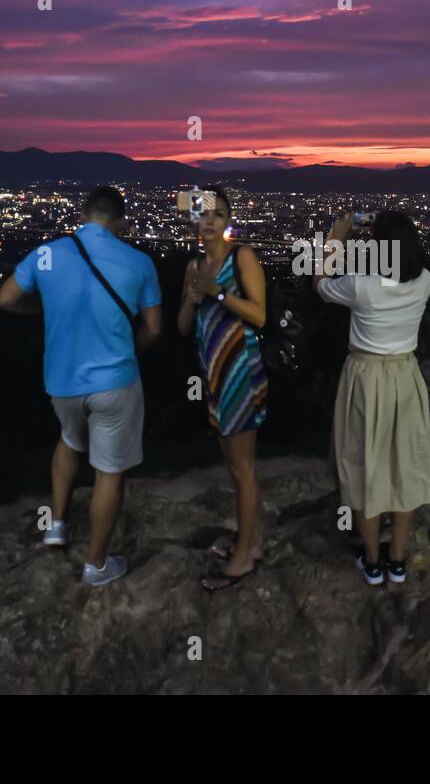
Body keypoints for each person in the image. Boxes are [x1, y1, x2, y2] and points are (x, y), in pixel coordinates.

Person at [0, 186, 162, 587]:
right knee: (109, 470)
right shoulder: (139, 262)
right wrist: (127, 352)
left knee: (70, 440)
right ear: (120, 220)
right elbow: (154, 329)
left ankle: (56, 525)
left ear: (83, 214)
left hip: (62, 381)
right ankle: (97, 565)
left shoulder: (48, 254)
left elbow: (4, 299)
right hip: (116, 382)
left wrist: (44, 308)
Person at [315, 211, 430, 586]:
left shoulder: (361, 285)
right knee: (403, 466)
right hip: (405, 376)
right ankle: (397, 561)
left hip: (365, 378)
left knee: (363, 465)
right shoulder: (424, 281)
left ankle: (372, 559)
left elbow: (320, 283)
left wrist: (337, 240)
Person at [176, 186, 269, 592]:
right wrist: (193, 299)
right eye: (203, 214)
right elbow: (183, 328)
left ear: (228, 219)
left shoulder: (241, 257)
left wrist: (218, 293)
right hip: (214, 372)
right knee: (234, 468)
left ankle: (245, 555)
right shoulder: (194, 266)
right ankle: (252, 542)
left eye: (217, 214)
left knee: (241, 468)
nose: (209, 221)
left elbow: (260, 316)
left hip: (241, 371)